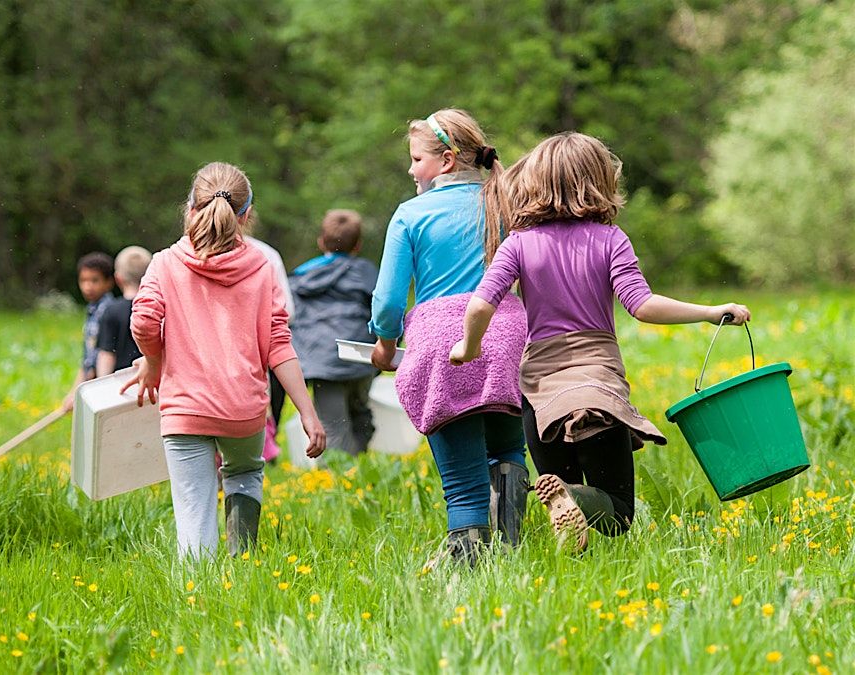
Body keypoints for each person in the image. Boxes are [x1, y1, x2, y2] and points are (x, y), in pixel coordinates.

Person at [451, 131, 750, 550]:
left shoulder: (518, 243)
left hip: (539, 391)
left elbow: (481, 304)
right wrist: (710, 311)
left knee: (565, 497)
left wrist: (469, 347)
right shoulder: (610, 239)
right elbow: (642, 305)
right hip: (597, 387)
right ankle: (571, 498)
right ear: (598, 182)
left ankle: (565, 503)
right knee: (617, 512)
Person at [124, 161, 326, 560]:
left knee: (194, 507)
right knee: (244, 474)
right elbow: (279, 345)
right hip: (244, 407)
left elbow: (144, 320)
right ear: (247, 214)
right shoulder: (263, 267)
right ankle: (242, 564)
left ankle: (199, 595)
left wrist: (153, 360)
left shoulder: (165, 263)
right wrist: (307, 412)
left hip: (184, 407)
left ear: (190, 208)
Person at [369, 109, 529, 565]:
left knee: (462, 482)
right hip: (507, 336)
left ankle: (470, 569)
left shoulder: (411, 214)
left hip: (443, 344)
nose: (410, 169)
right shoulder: (504, 203)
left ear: (444, 161)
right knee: (507, 449)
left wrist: (384, 343)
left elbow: (387, 300)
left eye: (416, 159)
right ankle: (511, 554)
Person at [290, 209, 379, 455]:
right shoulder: (367, 272)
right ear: (358, 244)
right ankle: (358, 471)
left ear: (321, 242)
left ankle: (345, 478)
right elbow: (384, 312)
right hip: (360, 357)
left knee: (334, 428)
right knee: (360, 416)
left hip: (321, 362)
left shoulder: (302, 277)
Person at [241, 207, 295, 462]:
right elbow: (287, 312)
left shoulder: (179, 255)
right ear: (248, 215)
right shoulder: (266, 255)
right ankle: (263, 453)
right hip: (256, 358)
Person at [62, 252, 115, 411]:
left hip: (103, 382)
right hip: (90, 382)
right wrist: (74, 392)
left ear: (109, 283)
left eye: (94, 280)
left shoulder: (110, 312)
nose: (88, 287)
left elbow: (102, 354)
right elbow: (87, 357)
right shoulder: (92, 310)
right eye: (83, 280)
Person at [95, 246, 152, 377]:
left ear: (118, 278)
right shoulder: (157, 308)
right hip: (153, 382)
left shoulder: (111, 310)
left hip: (121, 387)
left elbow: (106, 355)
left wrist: (103, 384)